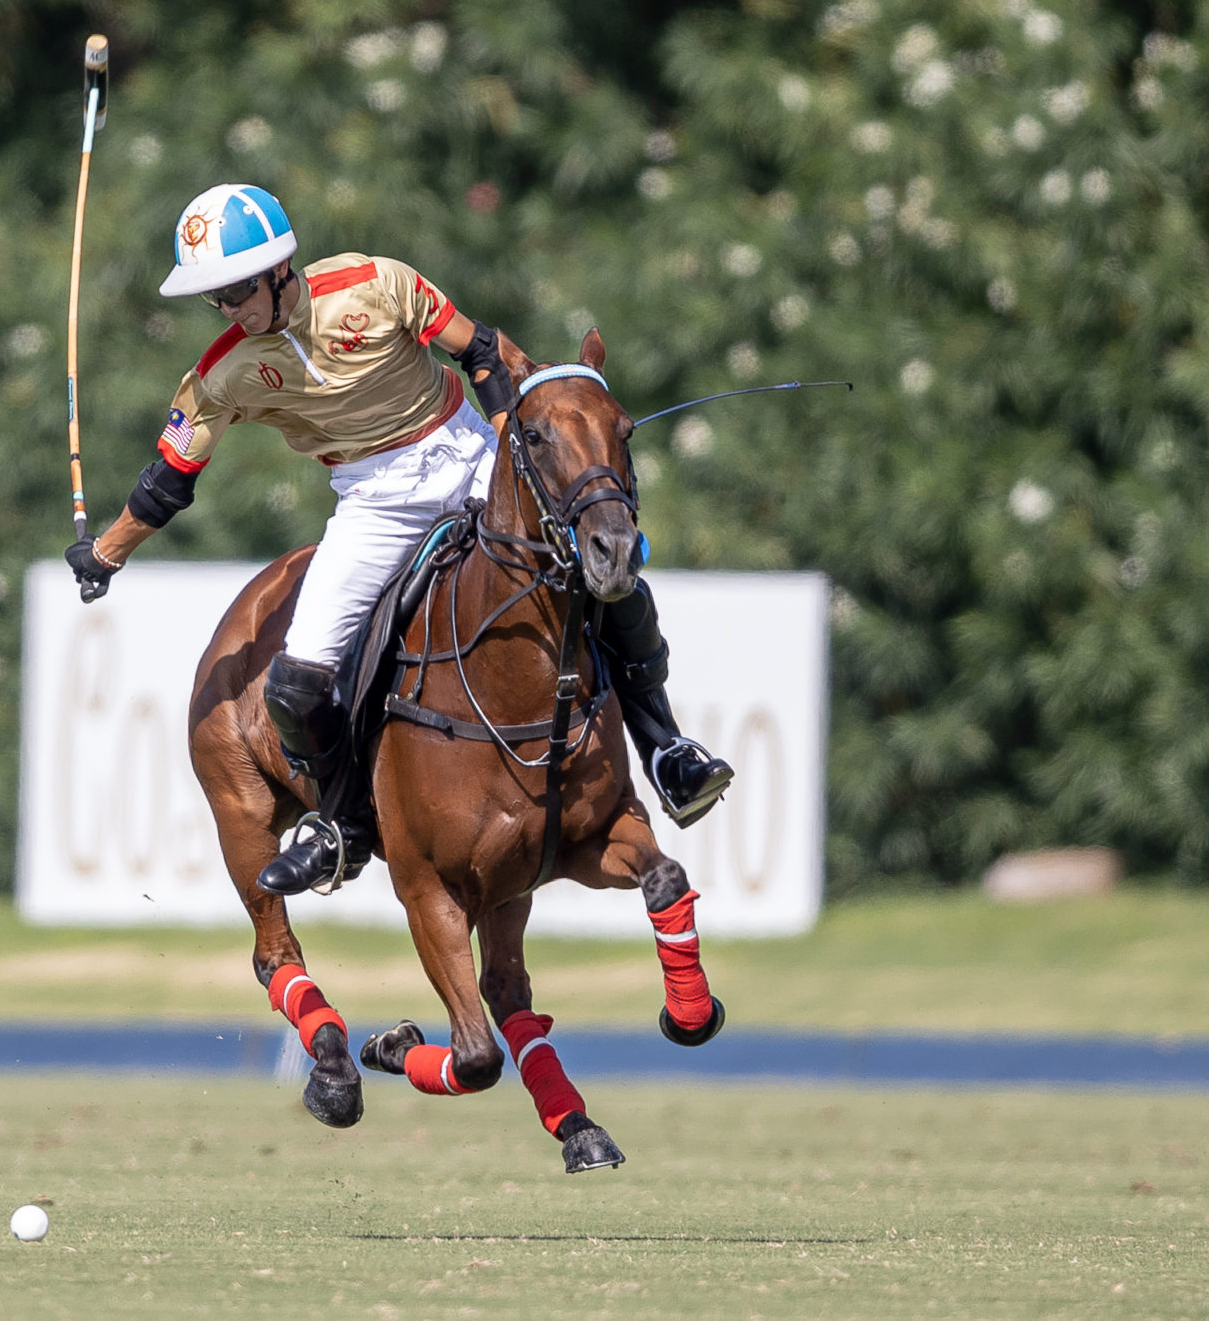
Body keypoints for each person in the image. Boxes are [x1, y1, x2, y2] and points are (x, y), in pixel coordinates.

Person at [66, 184, 734, 898]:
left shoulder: (374, 283)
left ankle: (666, 751)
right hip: (373, 501)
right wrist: (107, 551)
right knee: (296, 681)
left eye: (236, 291)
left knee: (611, 579)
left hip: (470, 454)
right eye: (215, 298)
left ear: (279, 269)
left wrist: (508, 446)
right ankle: (345, 823)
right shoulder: (220, 375)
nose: (228, 309)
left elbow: (481, 350)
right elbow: (168, 482)